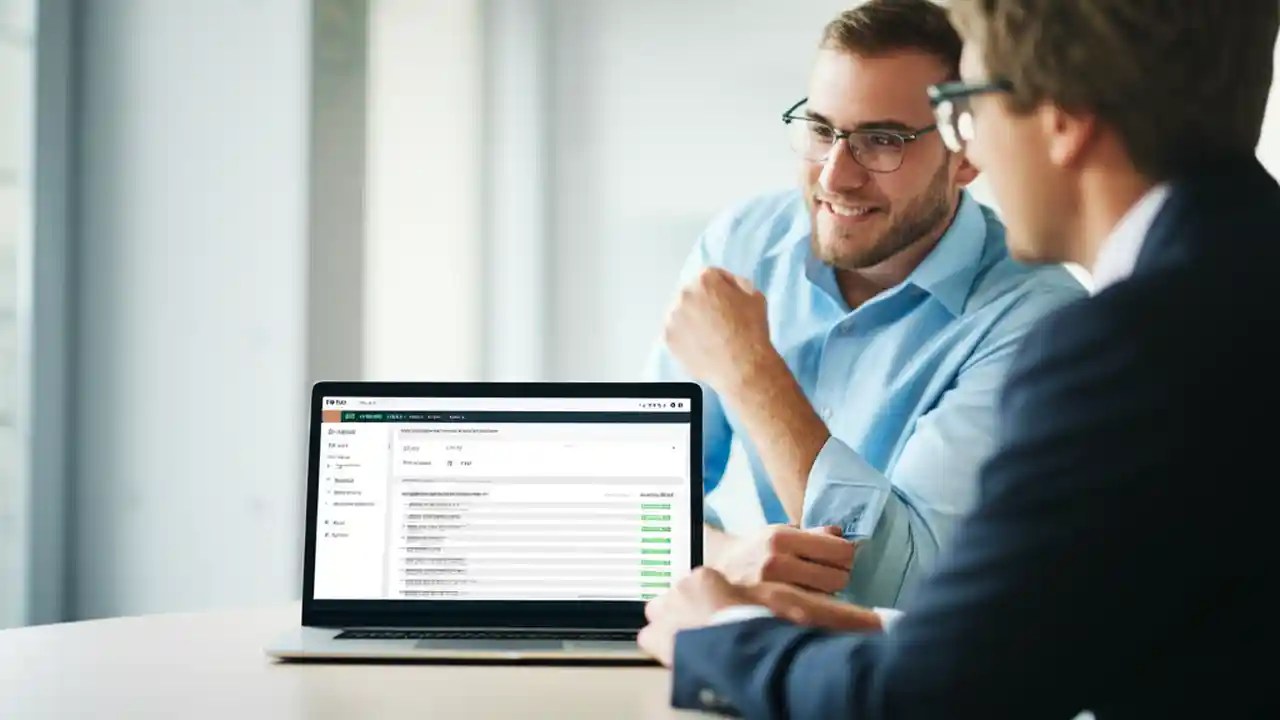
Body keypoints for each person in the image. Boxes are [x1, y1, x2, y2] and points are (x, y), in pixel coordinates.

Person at [639, 0, 1280, 717]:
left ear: (1062, 120)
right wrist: (880, 628)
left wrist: (723, 635)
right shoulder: (1238, 280)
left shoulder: (1126, 343)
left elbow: (935, 696)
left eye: (964, 107)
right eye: (820, 130)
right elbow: (1082, 630)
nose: (836, 176)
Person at [647, 0, 1082, 609]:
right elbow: (641, 506)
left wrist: (752, 374)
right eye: (822, 131)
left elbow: (915, 588)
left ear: (966, 153)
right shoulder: (740, 245)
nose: (834, 177)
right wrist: (728, 557)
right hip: (762, 657)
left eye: (882, 141)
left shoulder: (1037, 323)